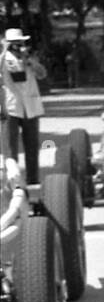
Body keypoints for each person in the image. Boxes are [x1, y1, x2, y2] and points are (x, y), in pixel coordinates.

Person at [1, 28, 47, 185]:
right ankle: (13, 184)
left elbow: (42, 74)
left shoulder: (30, 59)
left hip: (31, 107)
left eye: (21, 43)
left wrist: (31, 62)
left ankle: (33, 181)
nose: (20, 47)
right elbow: (17, 77)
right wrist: (5, 52)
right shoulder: (4, 59)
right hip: (11, 108)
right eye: (16, 44)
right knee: (10, 149)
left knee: (32, 147)